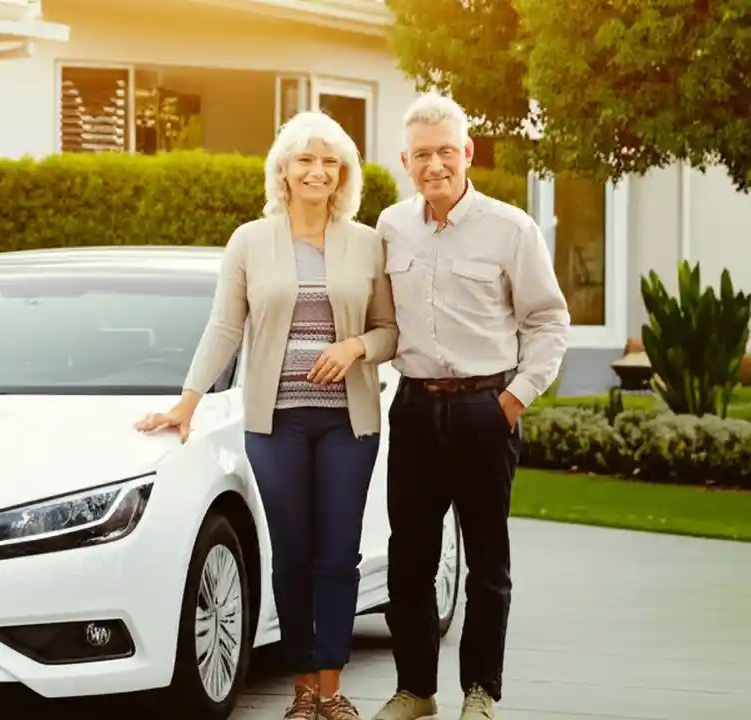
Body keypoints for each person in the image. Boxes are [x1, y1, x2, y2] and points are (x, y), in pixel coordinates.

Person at [136, 111, 398, 720]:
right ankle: (304, 688)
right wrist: (188, 400)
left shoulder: (366, 244)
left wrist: (356, 346)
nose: (318, 171)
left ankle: (332, 690)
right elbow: (226, 326)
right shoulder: (251, 241)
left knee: (339, 555)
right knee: (293, 554)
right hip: (275, 424)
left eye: (330, 161)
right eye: (306, 159)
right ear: (283, 169)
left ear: (344, 174)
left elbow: (389, 330)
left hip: (348, 426)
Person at [370, 93, 570, 720]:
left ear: (468, 153)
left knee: (487, 564)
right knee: (409, 561)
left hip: (486, 409)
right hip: (415, 409)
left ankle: (480, 692)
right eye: (423, 154)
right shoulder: (390, 226)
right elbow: (378, 317)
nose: (436, 164)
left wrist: (513, 399)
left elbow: (549, 321)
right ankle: (416, 691)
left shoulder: (512, 229)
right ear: (406, 160)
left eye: (446, 151)